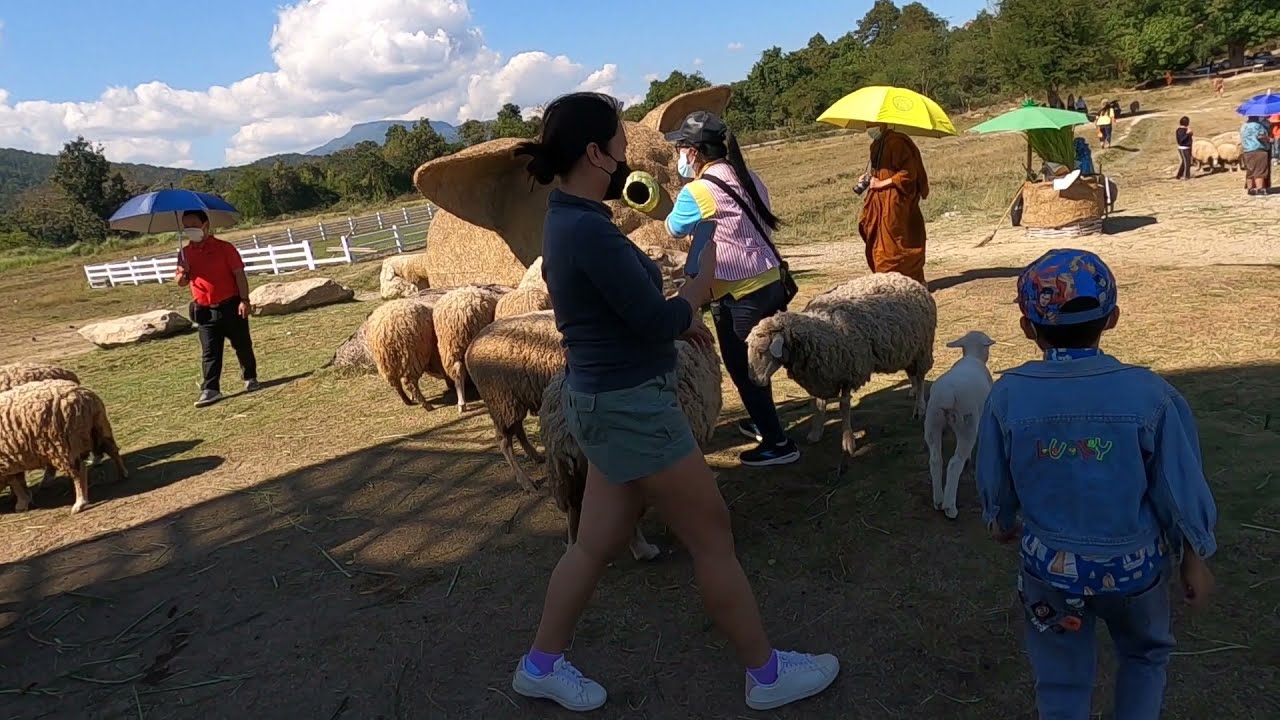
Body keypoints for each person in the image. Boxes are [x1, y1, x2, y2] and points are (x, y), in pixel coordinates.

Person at [506, 92, 838, 714]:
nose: (628, 152)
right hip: (633, 408)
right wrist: (696, 289)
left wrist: (679, 309)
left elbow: (620, 313)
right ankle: (766, 676)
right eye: (620, 141)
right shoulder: (588, 231)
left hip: (602, 402)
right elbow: (655, 320)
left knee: (593, 543)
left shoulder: (568, 218)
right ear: (596, 153)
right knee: (712, 538)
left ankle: (539, 665)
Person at [976, 248, 1219, 720]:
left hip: (1048, 573)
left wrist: (1000, 518)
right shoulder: (1149, 393)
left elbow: (994, 474)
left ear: (1027, 327)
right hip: (1134, 570)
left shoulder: (1007, 394)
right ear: (1113, 319)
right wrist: (1194, 555)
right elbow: (1178, 485)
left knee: (1061, 678)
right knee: (1145, 655)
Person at [663, 110, 800, 467]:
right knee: (763, 358)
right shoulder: (749, 175)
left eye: (681, 148)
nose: (680, 156)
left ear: (693, 152)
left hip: (739, 295)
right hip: (772, 282)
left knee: (745, 369)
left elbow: (674, 228)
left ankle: (777, 443)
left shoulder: (697, 191)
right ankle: (762, 421)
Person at [173, 210, 260, 408]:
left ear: (205, 225)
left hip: (230, 305)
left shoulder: (224, 248)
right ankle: (210, 389)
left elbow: (239, 274)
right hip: (204, 310)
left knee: (242, 344)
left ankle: (250, 377)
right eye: (186, 226)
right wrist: (183, 273)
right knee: (210, 351)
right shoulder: (185, 254)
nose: (190, 229)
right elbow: (180, 281)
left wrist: (244, 300)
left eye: (194, 225)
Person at [856, 123, 930, 285]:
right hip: (879, 200)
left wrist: (882, 184)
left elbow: (908, 173)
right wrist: (868, 179)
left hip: (895, 200)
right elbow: (881, 171)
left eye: (873, 125)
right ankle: (886, 282)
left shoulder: (897, 142)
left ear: (883, 125)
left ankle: (909, 281)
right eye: (868, 125)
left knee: (895, 241)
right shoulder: (876, 145)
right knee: (876, 239)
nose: (870, 129)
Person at [1240, 115, 1271, 195]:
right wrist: (1269, 139)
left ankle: (1250, 189)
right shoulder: (1257, 125)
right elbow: (1260, 136)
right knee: (1260, 170)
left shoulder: (1244, 126)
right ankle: (1260, 189)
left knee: (1250, 171)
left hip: (1247, 150)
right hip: (1258, 149)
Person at [1174, 116, 1193, 180]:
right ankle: (1186, 176)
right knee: (1187, 162)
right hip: (1183, 148)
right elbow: (1181, 140)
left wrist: (1190, 133)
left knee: (1185, 162)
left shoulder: (1186, 129)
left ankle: (1179, 175)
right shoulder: (1180, 130)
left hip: (1188, 147)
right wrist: (1187, 134)